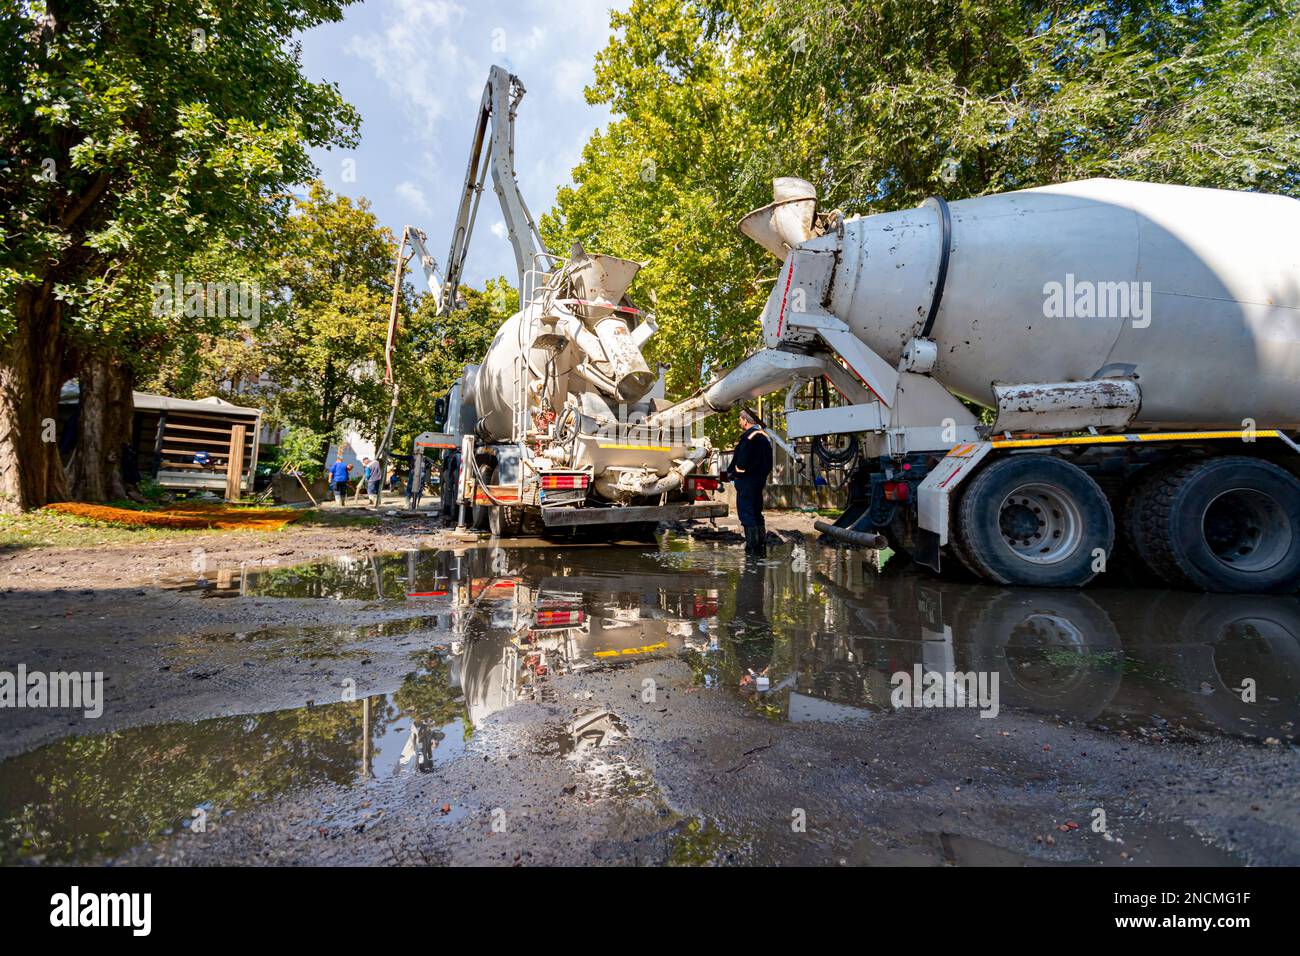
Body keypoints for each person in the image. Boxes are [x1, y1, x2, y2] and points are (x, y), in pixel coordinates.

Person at [724, 407, 773, 556]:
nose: (740, 422)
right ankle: (760, 546)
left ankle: (751, 548)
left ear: (745, 421)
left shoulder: (749, 437)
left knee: (747, 514)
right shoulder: (764, 436)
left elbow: (741, 462)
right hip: (759, 481)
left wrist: (734, 475)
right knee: (757, 512)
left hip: (746, 482)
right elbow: (768, 463)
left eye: (740, 419)